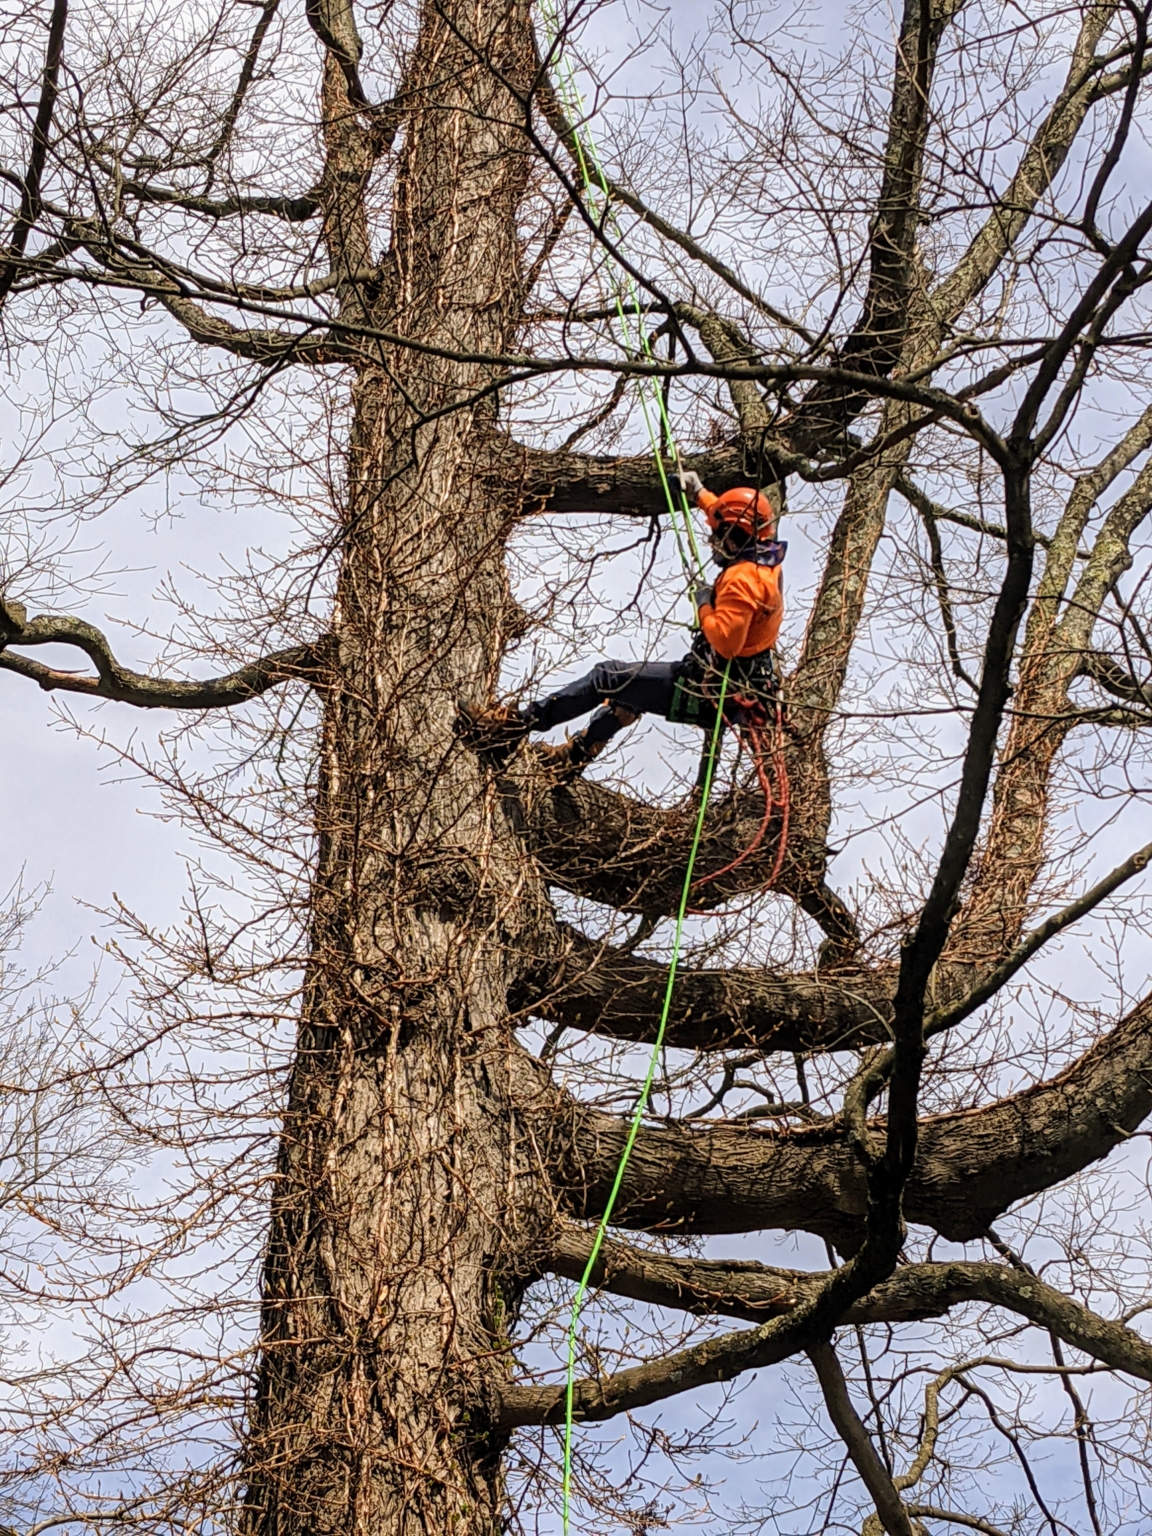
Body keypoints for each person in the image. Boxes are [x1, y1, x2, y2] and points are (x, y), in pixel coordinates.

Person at [458, 472, 785, 773]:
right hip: (727, 687)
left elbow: (726, 645)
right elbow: (728, 515)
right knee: (629, 689)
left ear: (733, 536)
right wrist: (699, 493)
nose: (712, 541)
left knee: (608, 677)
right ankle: (573, 758)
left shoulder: (742, 580)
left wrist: (703, 606)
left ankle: (511, 729)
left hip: (712, 692)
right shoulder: (763, 557)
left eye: (717, 534)